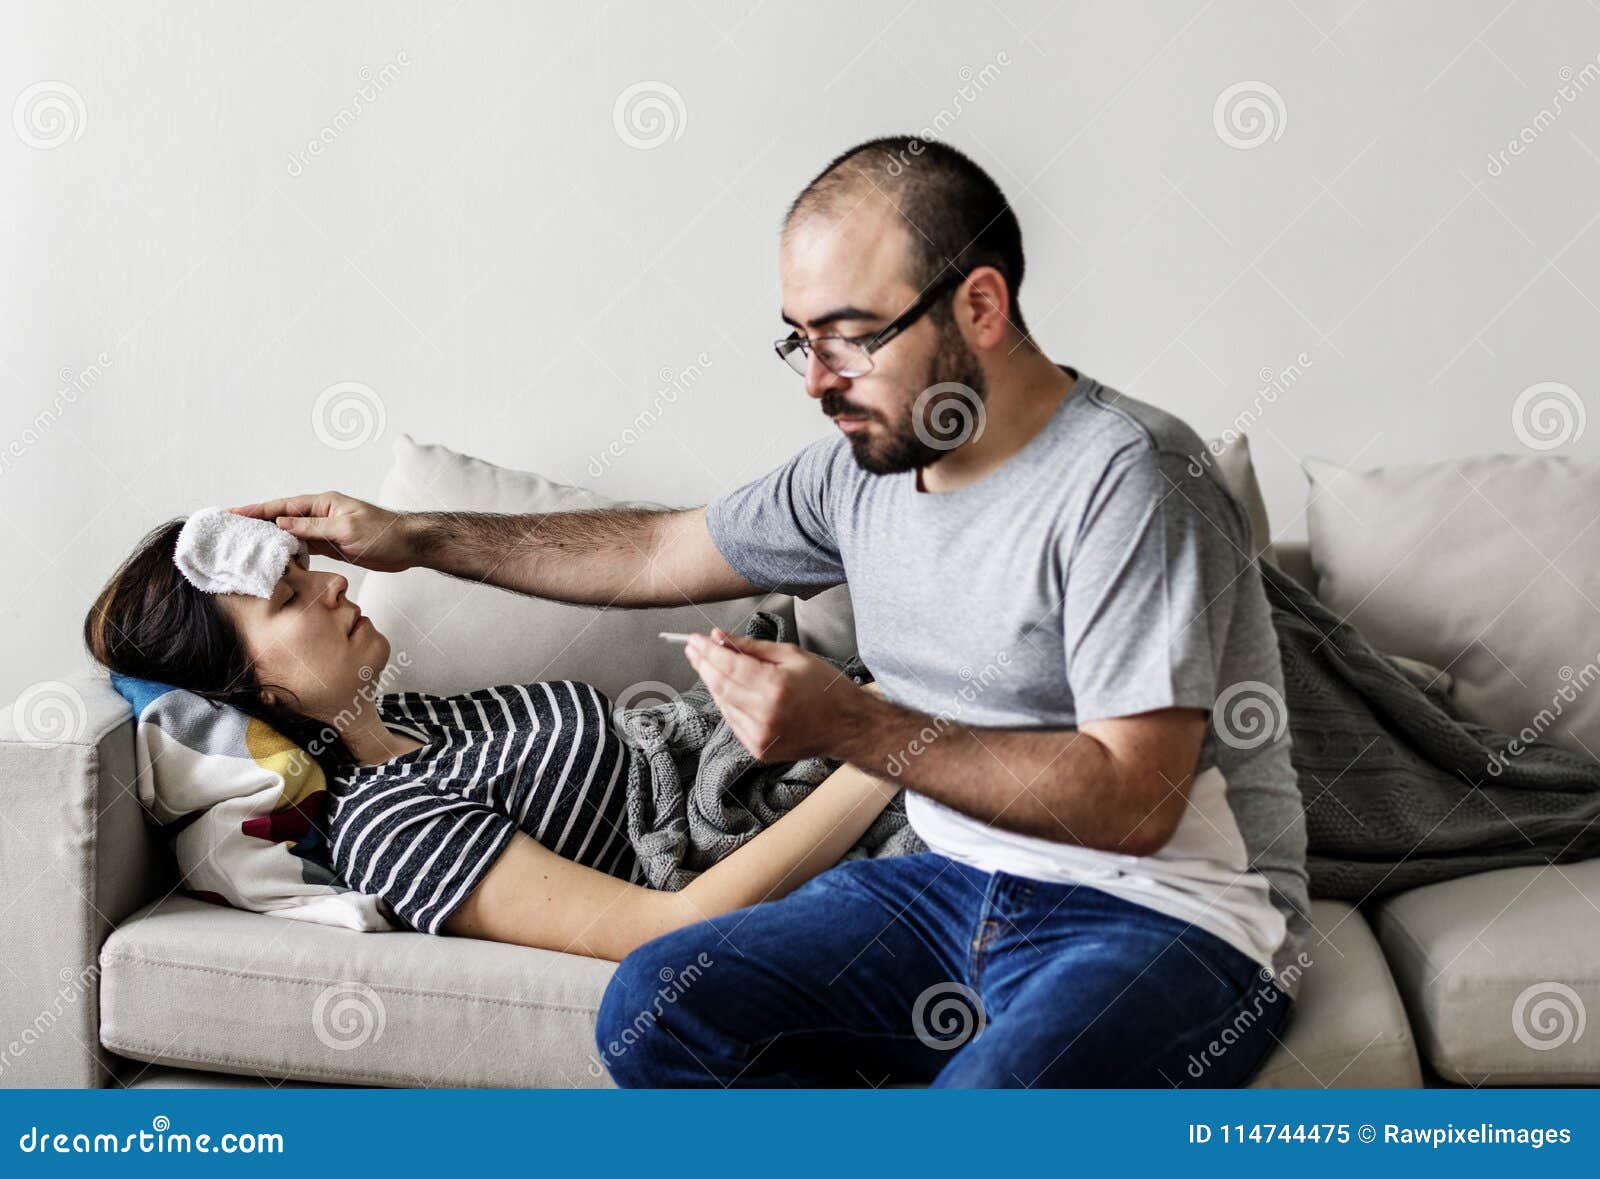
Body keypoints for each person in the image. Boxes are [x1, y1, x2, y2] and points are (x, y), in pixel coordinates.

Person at [238, 135, 1310, 1088]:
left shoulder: (1126, 479)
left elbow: (1134, 802)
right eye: (800, 340)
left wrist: (851, 725)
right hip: (945, 885)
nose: (815, 382)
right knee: (661, 1008)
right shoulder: (860, 469)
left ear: (979, 308)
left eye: (848, 337)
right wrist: (417, 539)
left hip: (1165, 915)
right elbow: (656, 549)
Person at [83, 520, 899, 962]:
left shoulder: (418, 721)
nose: (333, 582)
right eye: (292, 594)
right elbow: (672, 926)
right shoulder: (387, 824)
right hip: (839, 803)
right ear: (250, 687)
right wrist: (891, 748)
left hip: (806, 751)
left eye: (309, 567)